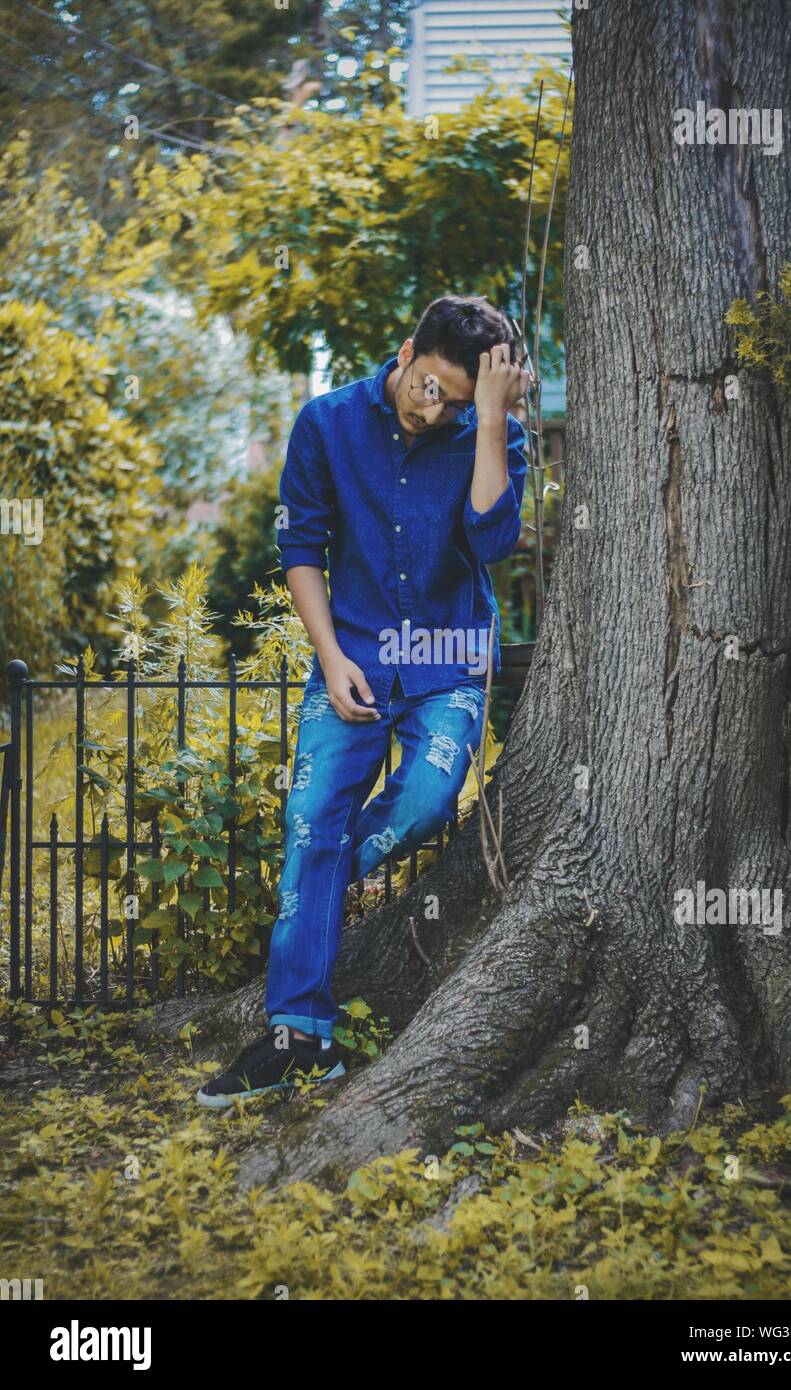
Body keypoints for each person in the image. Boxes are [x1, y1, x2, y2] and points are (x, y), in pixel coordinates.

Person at [196, 295, 529, 1107]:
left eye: (454, 399)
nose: (433, 409)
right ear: (407, 348)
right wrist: (331, 655)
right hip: (353, 657)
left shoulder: (489, 428)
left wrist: (487, 422)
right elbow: (300, 546)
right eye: (428, 387)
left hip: (449, 663)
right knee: (311, 816)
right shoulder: (327, 423)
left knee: (418, 806)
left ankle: (319, 881)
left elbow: (492, 542)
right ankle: (298, 1037)